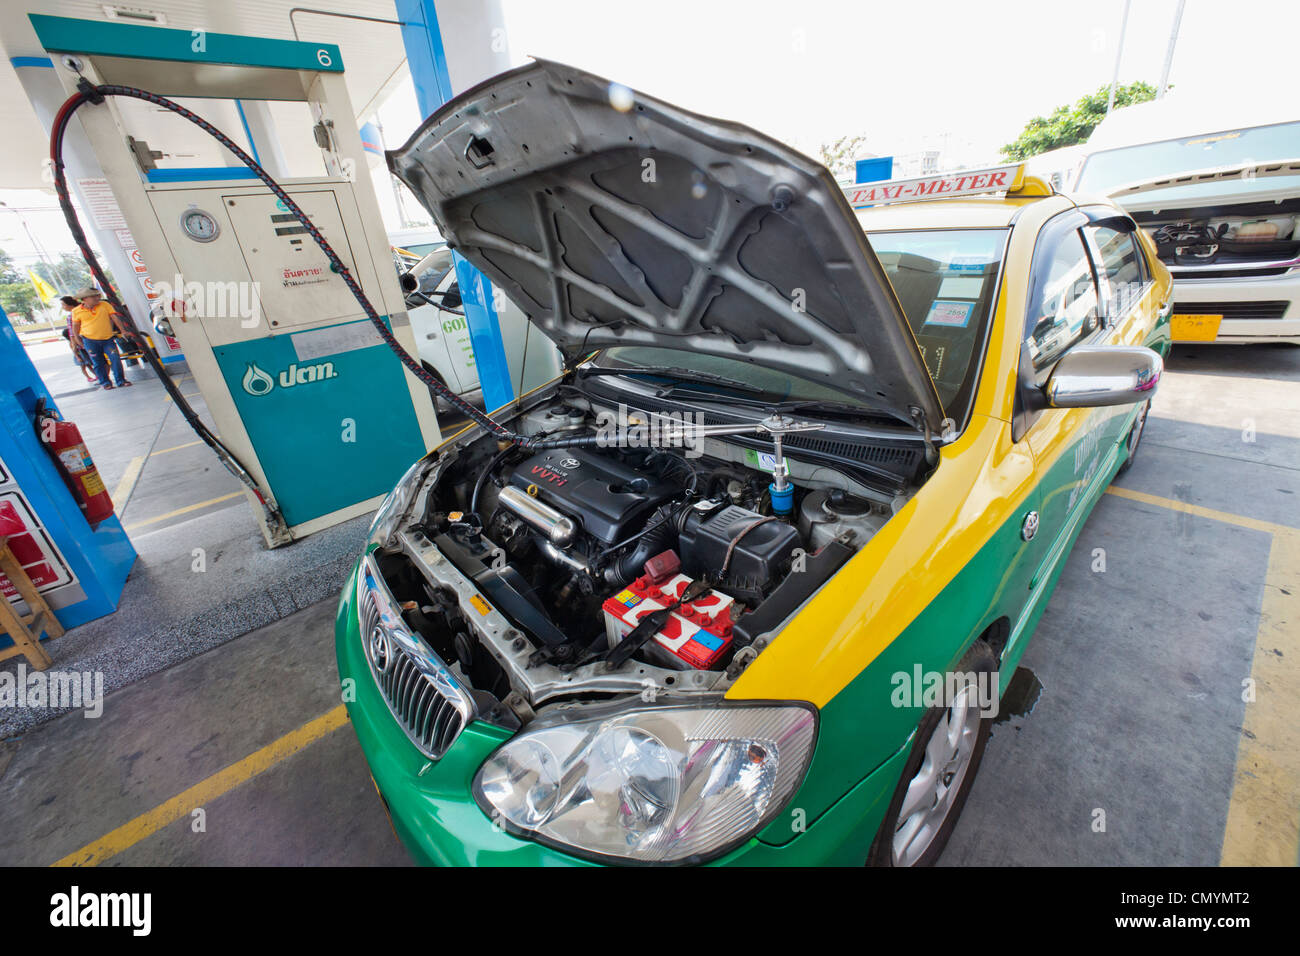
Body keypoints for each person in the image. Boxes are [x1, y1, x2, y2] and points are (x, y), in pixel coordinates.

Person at [70, 287, 134, 390]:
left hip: (107, 339)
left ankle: (121, 380)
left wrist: (123, 330)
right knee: (98, 362)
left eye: (97, 295)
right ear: (85, 299)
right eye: (93, 296)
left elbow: (115, 318)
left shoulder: (105, 305)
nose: (97, 298)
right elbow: (75, 326)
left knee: (115, 359)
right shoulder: (76, 311)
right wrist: (77, 340)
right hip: (89, 340)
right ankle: (105, 383)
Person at [59, 295, 96, 384]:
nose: (62, 307)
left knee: (93, 360)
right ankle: (102, 377)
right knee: (94, 360)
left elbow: (72, 333)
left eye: (63, 305)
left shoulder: (72, 315)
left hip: (83, 341)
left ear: (70, 305)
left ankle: (102, 377)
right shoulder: (84, 310)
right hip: (91, 338)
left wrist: (75, 343)